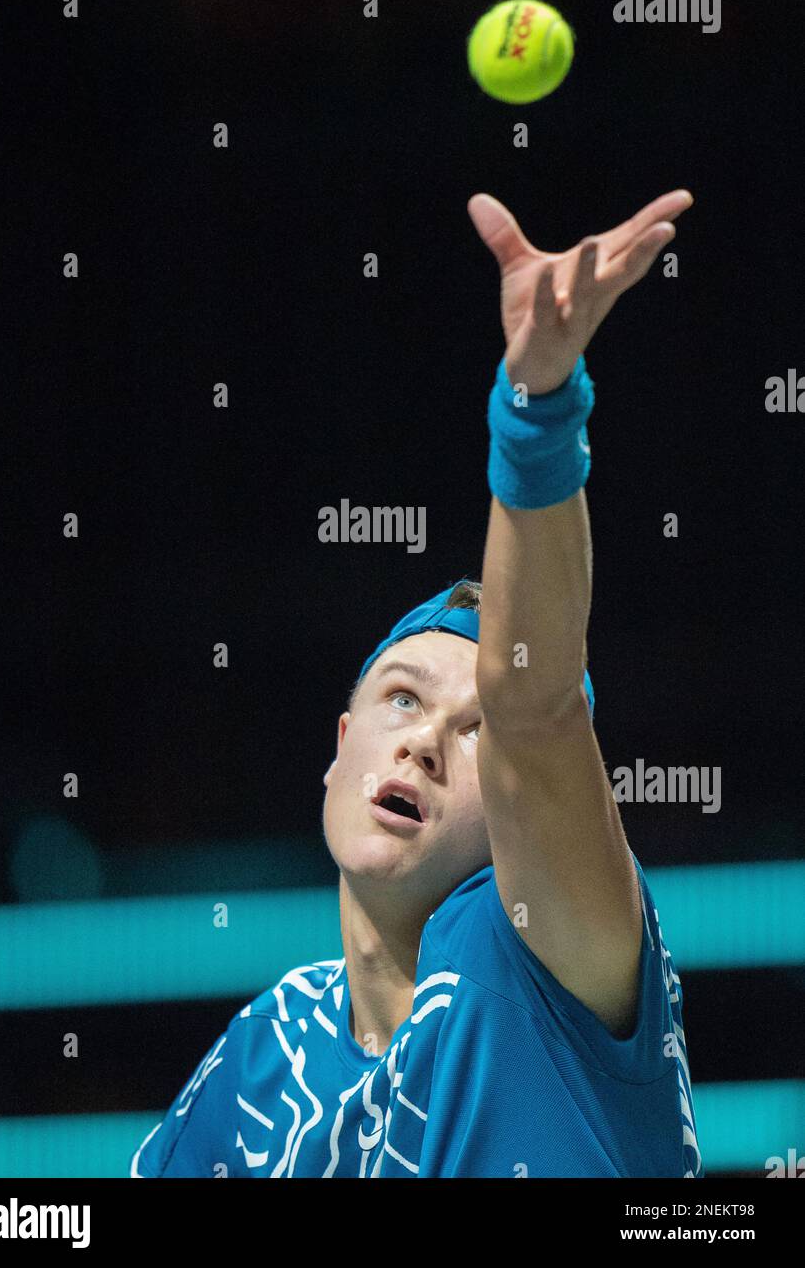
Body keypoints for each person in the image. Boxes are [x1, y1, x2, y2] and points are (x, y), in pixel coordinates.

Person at [130, 187, 702, 1178]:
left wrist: (536, 410)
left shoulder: (540, 953)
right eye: (399, 696)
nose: (424, 740)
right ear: (335, 746)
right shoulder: (261, 1057)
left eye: (475, 729)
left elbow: (537, 703)